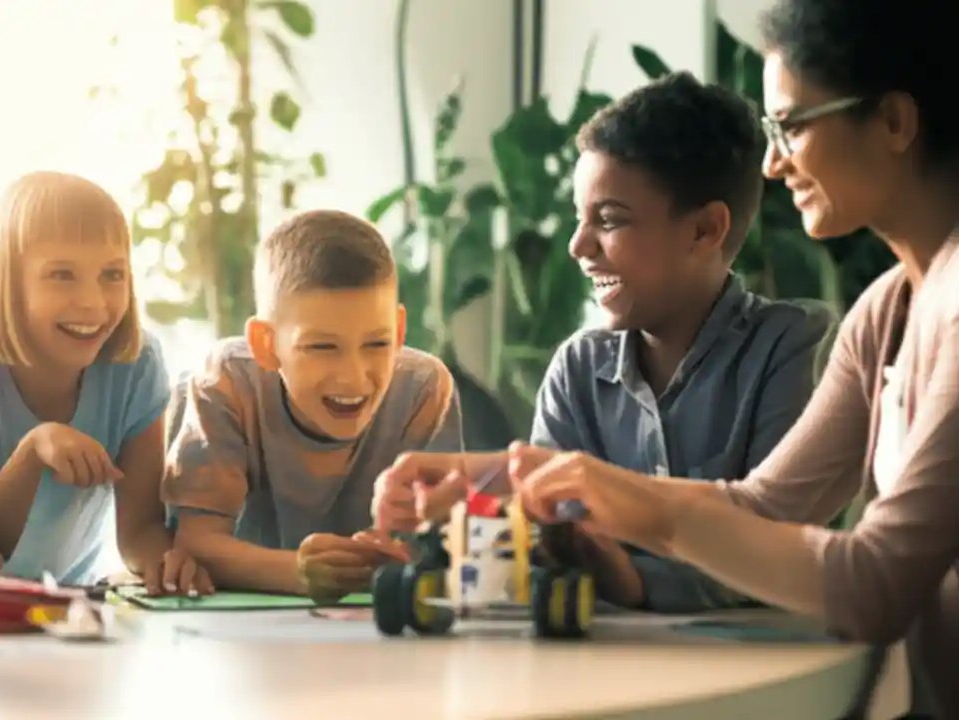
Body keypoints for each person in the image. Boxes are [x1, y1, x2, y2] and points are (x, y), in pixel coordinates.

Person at [385, 1, 959, 715]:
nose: (775, 162)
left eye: (792, 126)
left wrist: (636, 520)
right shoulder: (886, 310)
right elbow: (761, 506)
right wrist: (512, 474)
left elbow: (873, 585)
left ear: (895, 123)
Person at [526, 71, 832, 612]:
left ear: (704, 231)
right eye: (580, 218)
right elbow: (549, 541)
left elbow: (779, 550)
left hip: (764, 679)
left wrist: (632, 581)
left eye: (610, 220)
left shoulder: (795, 348)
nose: (578, 245)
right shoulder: (577, 370)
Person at [0, 172, 208, 595]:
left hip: (72, 603)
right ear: (6, 285)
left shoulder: (135, 367)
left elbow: (139, 532)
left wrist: (167, 564)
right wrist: (33, 451)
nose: (93, 303)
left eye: (112, 275)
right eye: (61, 275)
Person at [164, 209, 460, 600]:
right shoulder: (226, 384)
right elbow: (193, 543)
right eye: (321, 347)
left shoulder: (424, 389)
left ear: (400, 330)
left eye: (377, 343)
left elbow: (446, 539)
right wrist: (297, 573)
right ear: (265, 345)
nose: (354, 377)